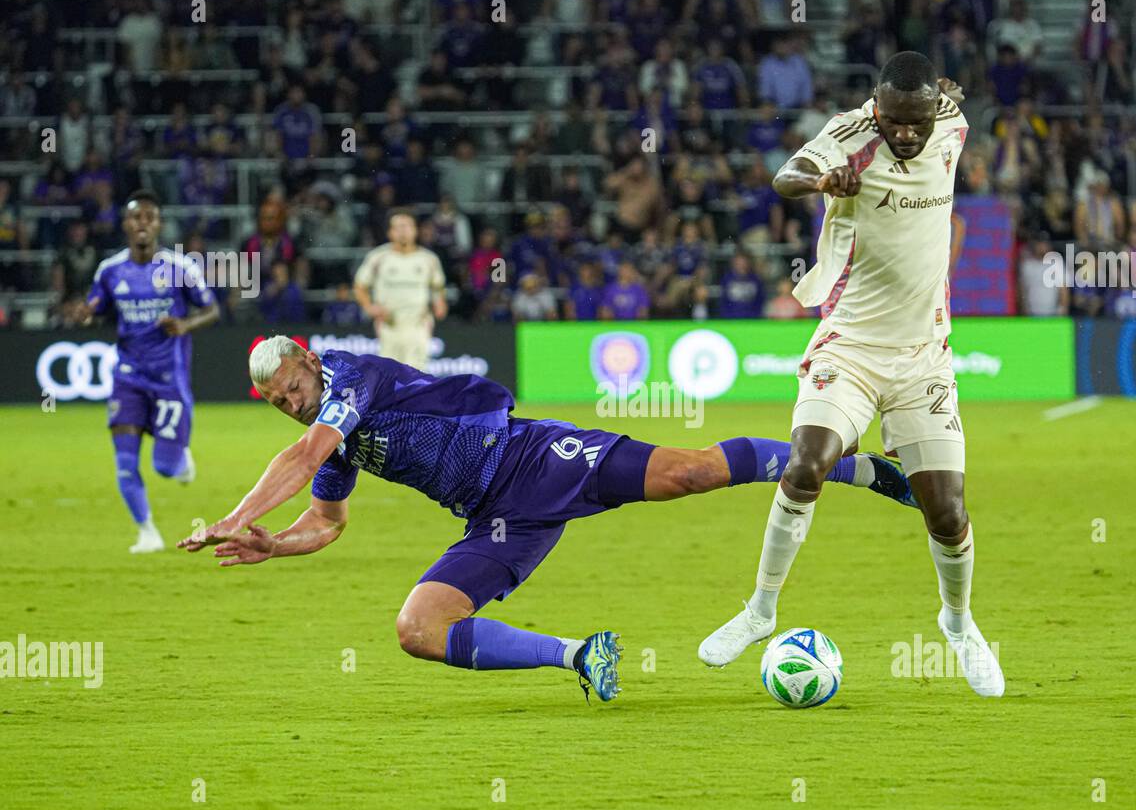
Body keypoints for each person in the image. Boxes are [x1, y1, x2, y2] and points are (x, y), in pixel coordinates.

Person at [178, 337, 919, 703]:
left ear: (307, 363)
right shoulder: (339, 436)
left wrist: (234, 515)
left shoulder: (350, 376)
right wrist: (275, 543)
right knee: (418, 629)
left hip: (534, 458)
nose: (293, 401)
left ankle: (860, 468)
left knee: (690, 471)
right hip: (497, 519)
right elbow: (327, 518)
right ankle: (577, 656)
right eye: (279, 401)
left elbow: (306, 454)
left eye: (292, 388)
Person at [696, 52, 1005, 699]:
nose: (907, 134)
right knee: (805, 466)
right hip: (854, 345)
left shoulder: (951, 122)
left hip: (925, 354)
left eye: (916, 121)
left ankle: (957, 621)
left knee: (947, 512)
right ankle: (760, 610)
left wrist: (943, 93)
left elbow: (949, 96)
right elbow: (787, 175)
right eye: (895, 120)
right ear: (878, 108)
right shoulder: (852, 134)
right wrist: (820, 182)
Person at [69, 190, 219, 553]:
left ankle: (177, 455)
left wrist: (185, 325)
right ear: (125, 224)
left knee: (166, 469)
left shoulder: (180, 267)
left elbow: (212, 310)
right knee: (124, 460)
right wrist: (84, 315)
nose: (143, 223)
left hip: (169, 377)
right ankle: (147, 531)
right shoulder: (110, 270)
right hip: (128, 375)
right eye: (136, 217)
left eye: (150, 217)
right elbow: (94, 306)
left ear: (159, 224)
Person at [353, 208, 448, 370]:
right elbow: (360, 286)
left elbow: (437, 287)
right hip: (389, 324)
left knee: (417, 374)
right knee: (389, 374)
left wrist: (440, 303)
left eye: (407, 226)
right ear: (390, 232)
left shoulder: (429, 259)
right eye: (398, 227)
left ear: (416, 230)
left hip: (418, 324)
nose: (403, 232)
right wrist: (370, 307)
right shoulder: (378, 257)